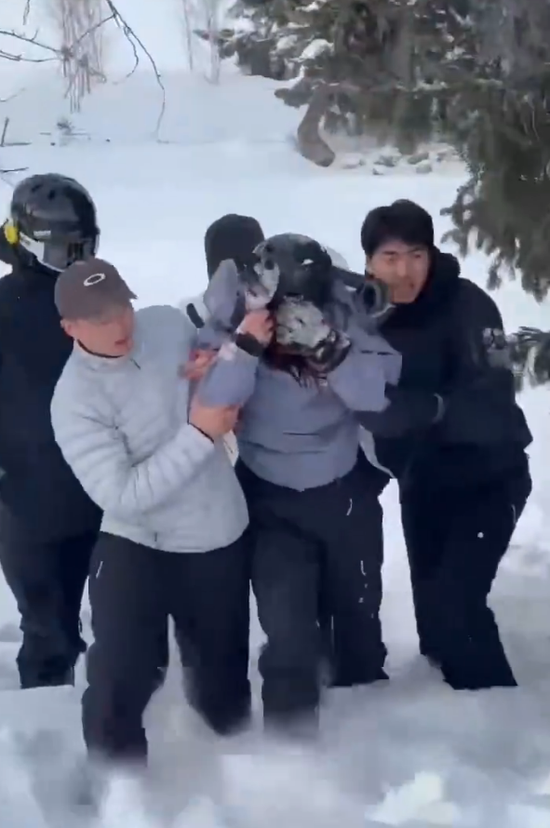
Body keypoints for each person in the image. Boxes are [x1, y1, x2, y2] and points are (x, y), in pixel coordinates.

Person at [192, 233, 402, 733]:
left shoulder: (346, 314)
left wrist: (330, 350)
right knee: (288, 631)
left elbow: (378, 396)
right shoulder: (236, 318)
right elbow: (211, 401)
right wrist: (246, 343)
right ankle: (292, 749)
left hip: (342, 489)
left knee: (357, 621)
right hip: (269, 500)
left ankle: (375, 744)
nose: (291, 314)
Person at [50, 257, 251, 763]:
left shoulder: (164, 323)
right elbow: (123, 495)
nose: (118, 325)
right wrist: (202, 431)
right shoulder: (73, 400)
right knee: (121, 670)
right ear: (69, 328)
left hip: (214, 530)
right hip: (136, 540)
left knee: (222, 678)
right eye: (98, 318)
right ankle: (120, 788)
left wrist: (217, 361)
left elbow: (221, 350)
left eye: (121, 308)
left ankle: (239, 775)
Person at [357, 199, 532, 690]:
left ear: (431, 255)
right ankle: (448, 717)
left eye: (416, 255)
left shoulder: (472, 305)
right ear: (369, 262)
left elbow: (496, 389)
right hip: (422, 480)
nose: (405, 270)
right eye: (390, 257)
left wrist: (423, 409)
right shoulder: (362, 312)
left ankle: (497, 710)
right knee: (434, 624)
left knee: (457, 606)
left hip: (489, 477)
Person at [0, 173, 103, 689]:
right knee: (47, 631)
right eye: (67, 251)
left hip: (98, 494)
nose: (78, 262)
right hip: (26, 501)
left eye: (86, 249)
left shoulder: (100, 303)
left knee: (115, 623)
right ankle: (46, 739)